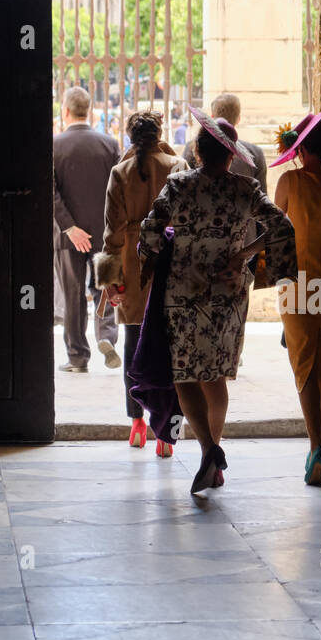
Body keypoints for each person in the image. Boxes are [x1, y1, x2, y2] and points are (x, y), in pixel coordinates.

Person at [138, 109, 296, 495]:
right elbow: (282, 228)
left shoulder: (178, 187)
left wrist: (154, 254)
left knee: (185, 374)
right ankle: (214, 455)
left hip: (183, 290)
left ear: (196, 150)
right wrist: (244, 255)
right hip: (227, 295)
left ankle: (210, 452)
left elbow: (150, 230)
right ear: (230, 156)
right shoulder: (245, 189)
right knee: (215, 375)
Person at [94, 112, 189, 456]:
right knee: (173, 354)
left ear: (131, 137)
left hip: (133, 267)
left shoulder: (120, 173)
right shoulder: (178, 165)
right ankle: (168, 434)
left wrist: (109, 281)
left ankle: (136, 425)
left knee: (134, 346)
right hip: (169, 263)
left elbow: (111, 234)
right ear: (160, 133)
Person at [272, 91, 321, 485]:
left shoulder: (288, 182)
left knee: (304, 363)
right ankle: (320, 444)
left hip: (297, 282)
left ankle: (315, 444)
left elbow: (274, 231)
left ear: (301, 151)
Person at [53, 87, 122, 372]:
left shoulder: (54, 146)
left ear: (65, 111)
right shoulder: (109, 144)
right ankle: (106, 337)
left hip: (68, 238)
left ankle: (78, 356)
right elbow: (119, 188)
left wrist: (70, 227)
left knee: (73, 295)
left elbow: (51, 192)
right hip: (103, 233)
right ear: (89, 111)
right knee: (105, 287)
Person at [182, 93, 268, 194]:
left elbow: (185, 186)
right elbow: (262, 196)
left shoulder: (192, 146)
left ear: (212, 117)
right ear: (238, 119)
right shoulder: (255, 154)